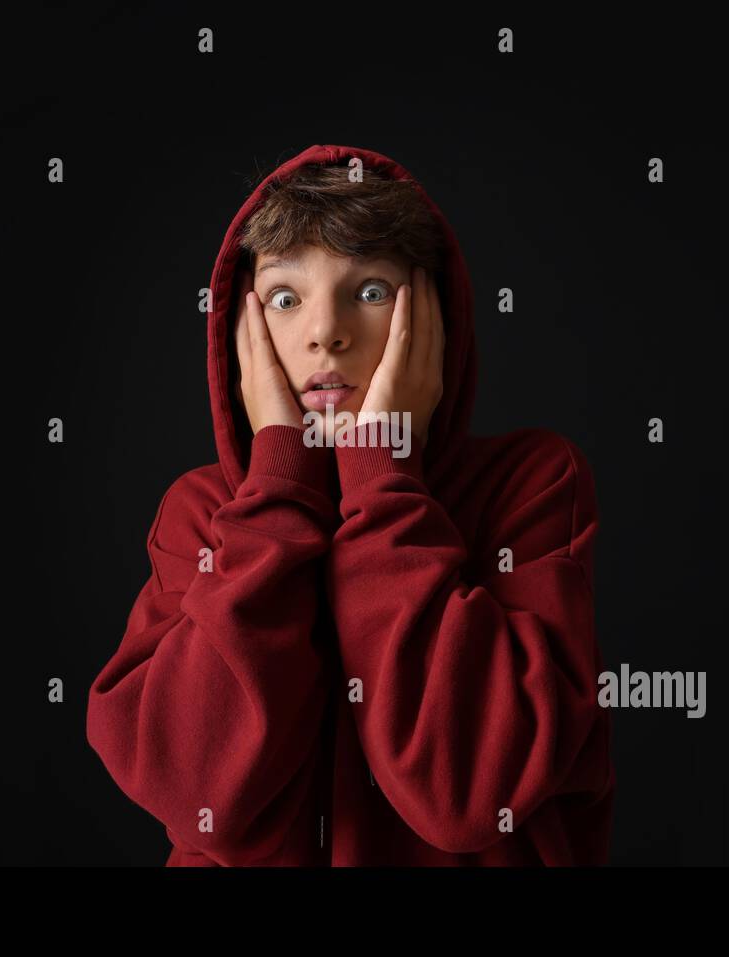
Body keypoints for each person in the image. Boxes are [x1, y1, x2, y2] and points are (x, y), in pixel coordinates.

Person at [86, 144, 614, 865]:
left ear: (431, 316)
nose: (323, 330)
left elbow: (466, 794)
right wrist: (278, 486)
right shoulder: (202, 512)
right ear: (243, 330)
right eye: (284, 297)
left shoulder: (532, 482)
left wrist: (382, 468)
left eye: (369, 291)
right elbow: (201, 792)